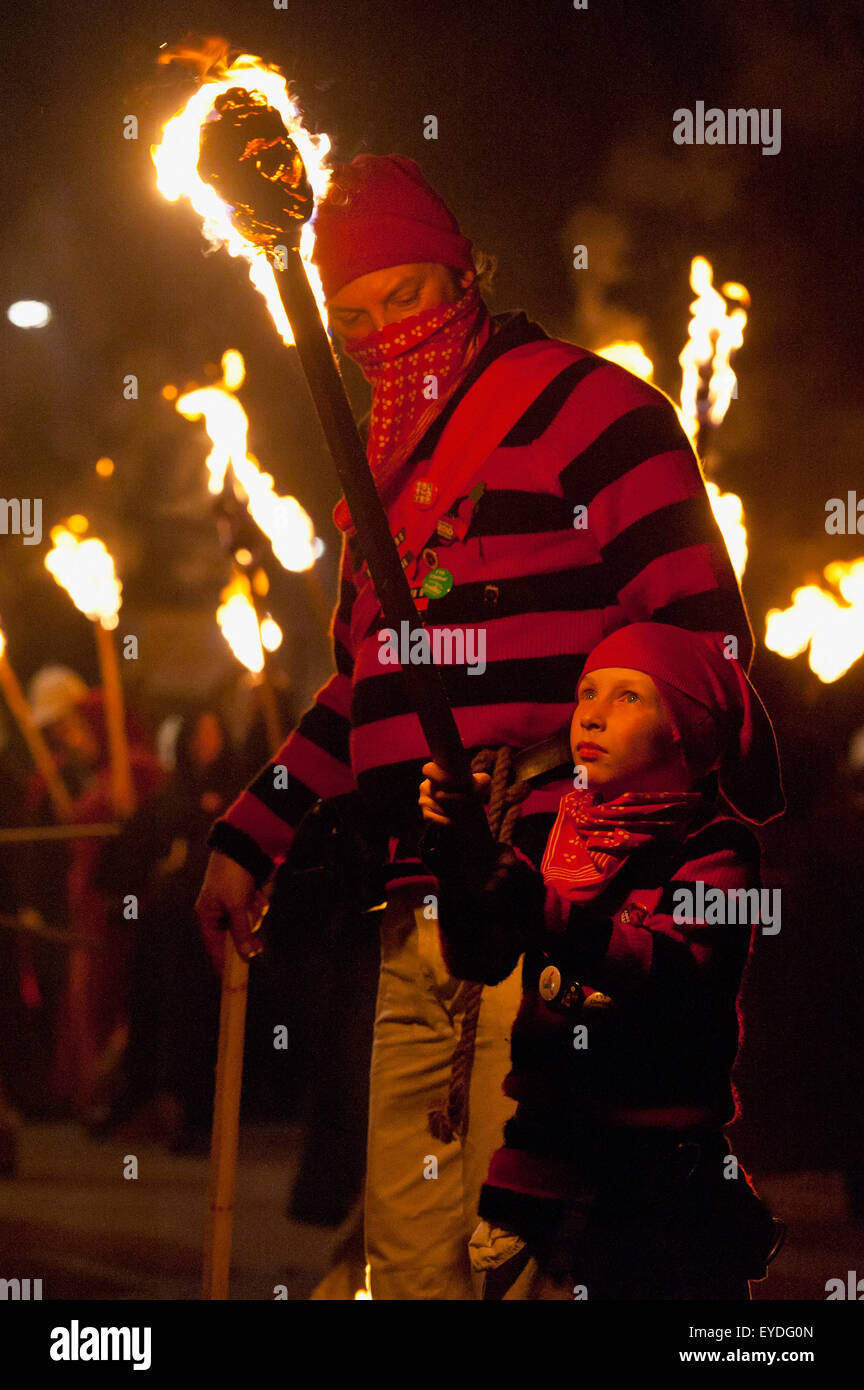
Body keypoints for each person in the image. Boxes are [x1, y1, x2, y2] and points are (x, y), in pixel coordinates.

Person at [195, 153, 754, 1300]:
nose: (383, 331)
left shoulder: (597, 411)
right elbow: (366, 689)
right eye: (353, 316)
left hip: (560, 891)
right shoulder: (380, 483)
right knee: (410, 1258)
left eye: (406, 296)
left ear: (466, 271)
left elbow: (703, 652)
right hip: (417, 907)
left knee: (531, 1249)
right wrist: (251, 833)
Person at [420, 622, 786, 1299]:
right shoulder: (554, 832)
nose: (591, 711)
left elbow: (674, 971)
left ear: (686, 731)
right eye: (588, 691)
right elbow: (482, 958)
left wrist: (544, 911)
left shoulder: (717, 851)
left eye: (628, 697)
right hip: (538, 1162)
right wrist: (457, 859)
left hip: (656, 1177)